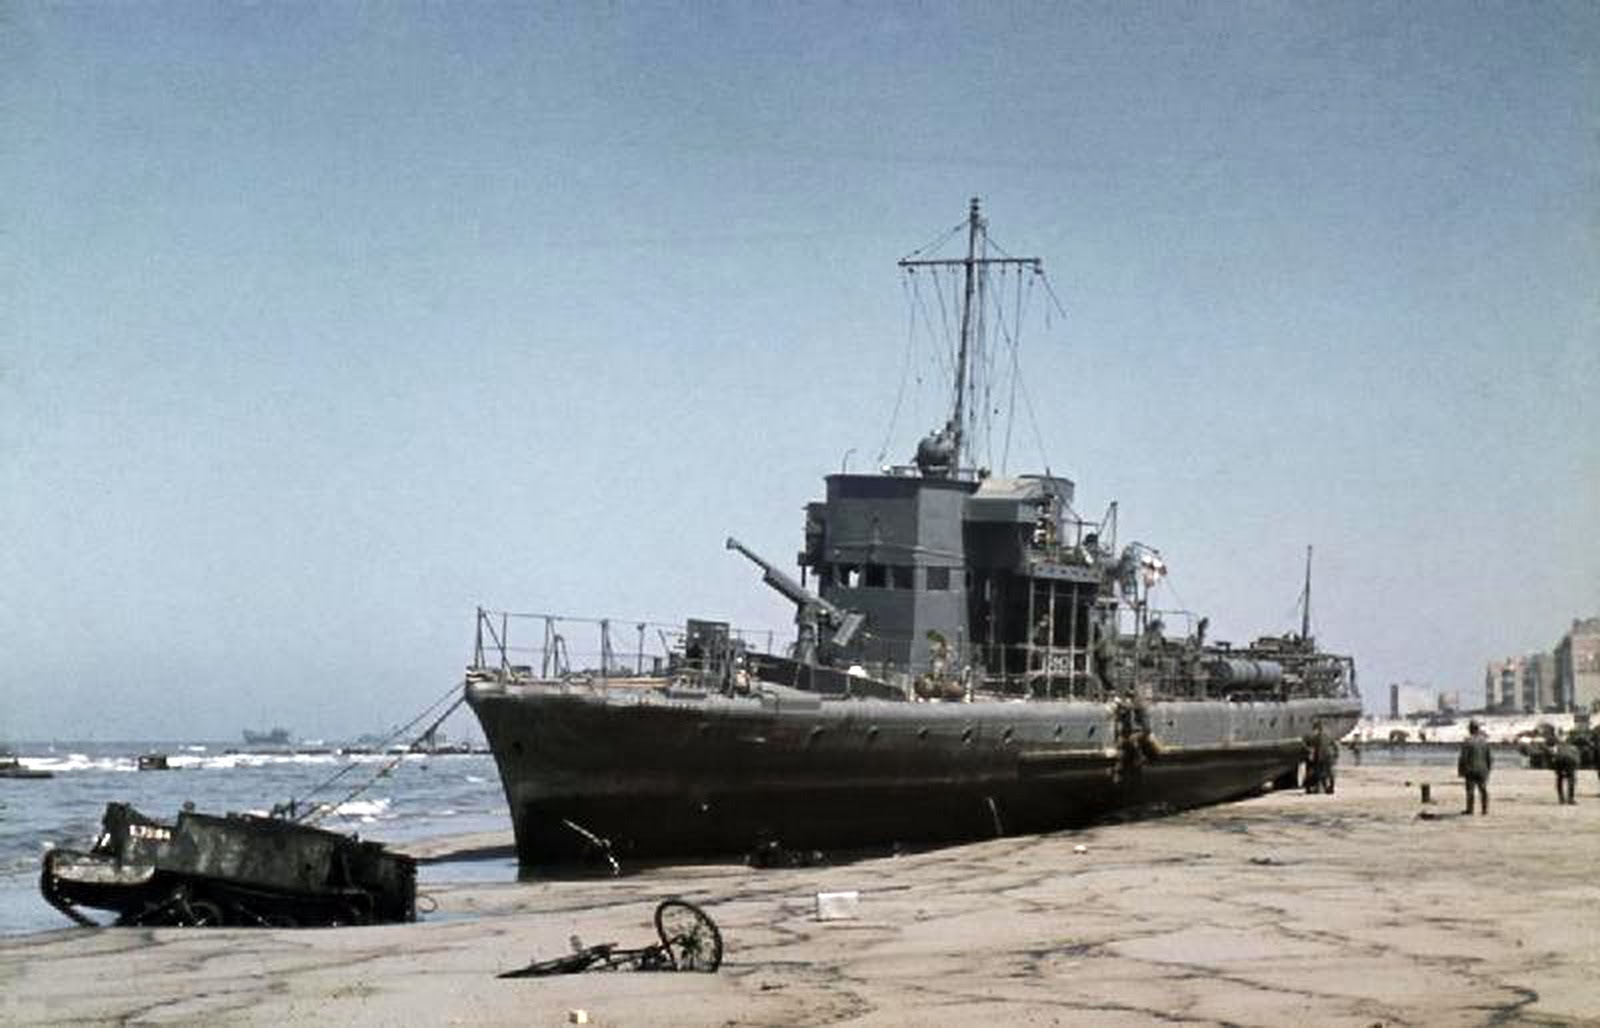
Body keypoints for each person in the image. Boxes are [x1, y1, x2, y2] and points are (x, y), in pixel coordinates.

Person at [1457, 720, 1492, 815]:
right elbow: (1489, 757)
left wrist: (1461, 770)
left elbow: (1463, 757)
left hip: (1470, 769)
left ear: (1470, 729)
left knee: (1470, 790)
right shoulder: (1484, 741)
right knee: (1483, 789)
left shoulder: (1467, 741)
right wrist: (1488, 769)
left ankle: (1470, 809)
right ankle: (1484, 809)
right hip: (1482, 769)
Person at [1551, 733, 1580, 805]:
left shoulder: (1556, 748)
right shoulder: (1574, 748)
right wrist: (1576, 768)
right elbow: (1577, 759)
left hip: (1560, 763)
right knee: (1571, 781)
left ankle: (1561, 799)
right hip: (1570, 764)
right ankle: (1570, 799)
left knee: (1560, 780)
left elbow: (1553, 758)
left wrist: (1556, 769)